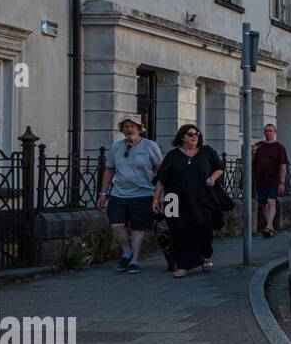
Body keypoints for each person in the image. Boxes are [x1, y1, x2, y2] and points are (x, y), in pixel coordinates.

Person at [153, 124, 225, 278]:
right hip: (175, 200)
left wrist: (213, 177)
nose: (194, 137)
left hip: (202, 199)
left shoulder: (207, 152)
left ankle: (206, 255)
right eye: (190, 134)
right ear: (182, 137)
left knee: (204, 232)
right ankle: (183, 266)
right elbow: (161, 179)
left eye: (196, 134)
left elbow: (219, 168)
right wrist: (156, 199)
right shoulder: (173, 155)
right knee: (179, 232)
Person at [96, 116, 163, 274]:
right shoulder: (116, 147)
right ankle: (127, 252)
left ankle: (135, 260)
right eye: (126, 126)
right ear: (122, 130)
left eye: (133, 126)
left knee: (137, 228)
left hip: (143, 193)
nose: (129, 129)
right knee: (116, 225)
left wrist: (159, 195)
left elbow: (160, 169)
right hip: (119, 193)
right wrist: (103, 193)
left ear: (139, 129)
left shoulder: (150, 146)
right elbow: (109, 170)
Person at [251, 123, 289, 238]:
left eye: (270, 131)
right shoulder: (259, 145)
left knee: (271, 201)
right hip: (260, 179)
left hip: (273, 179)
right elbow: (250, 161)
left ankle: (267, 226)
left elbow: (283, 166)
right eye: (266, 131)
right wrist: (253, 153)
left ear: (275, 132)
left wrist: (282, 182)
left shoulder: (279, 147)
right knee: (264, 205)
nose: (268, 133)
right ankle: (270, 228)